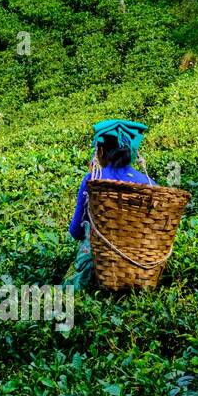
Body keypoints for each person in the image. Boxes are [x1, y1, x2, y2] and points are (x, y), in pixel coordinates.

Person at [65, 119, 155, 289]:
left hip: (100, 268)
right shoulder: (151, 184)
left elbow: (75, 230)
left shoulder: (92, 180)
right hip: (142, 267)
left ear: (100, 150)